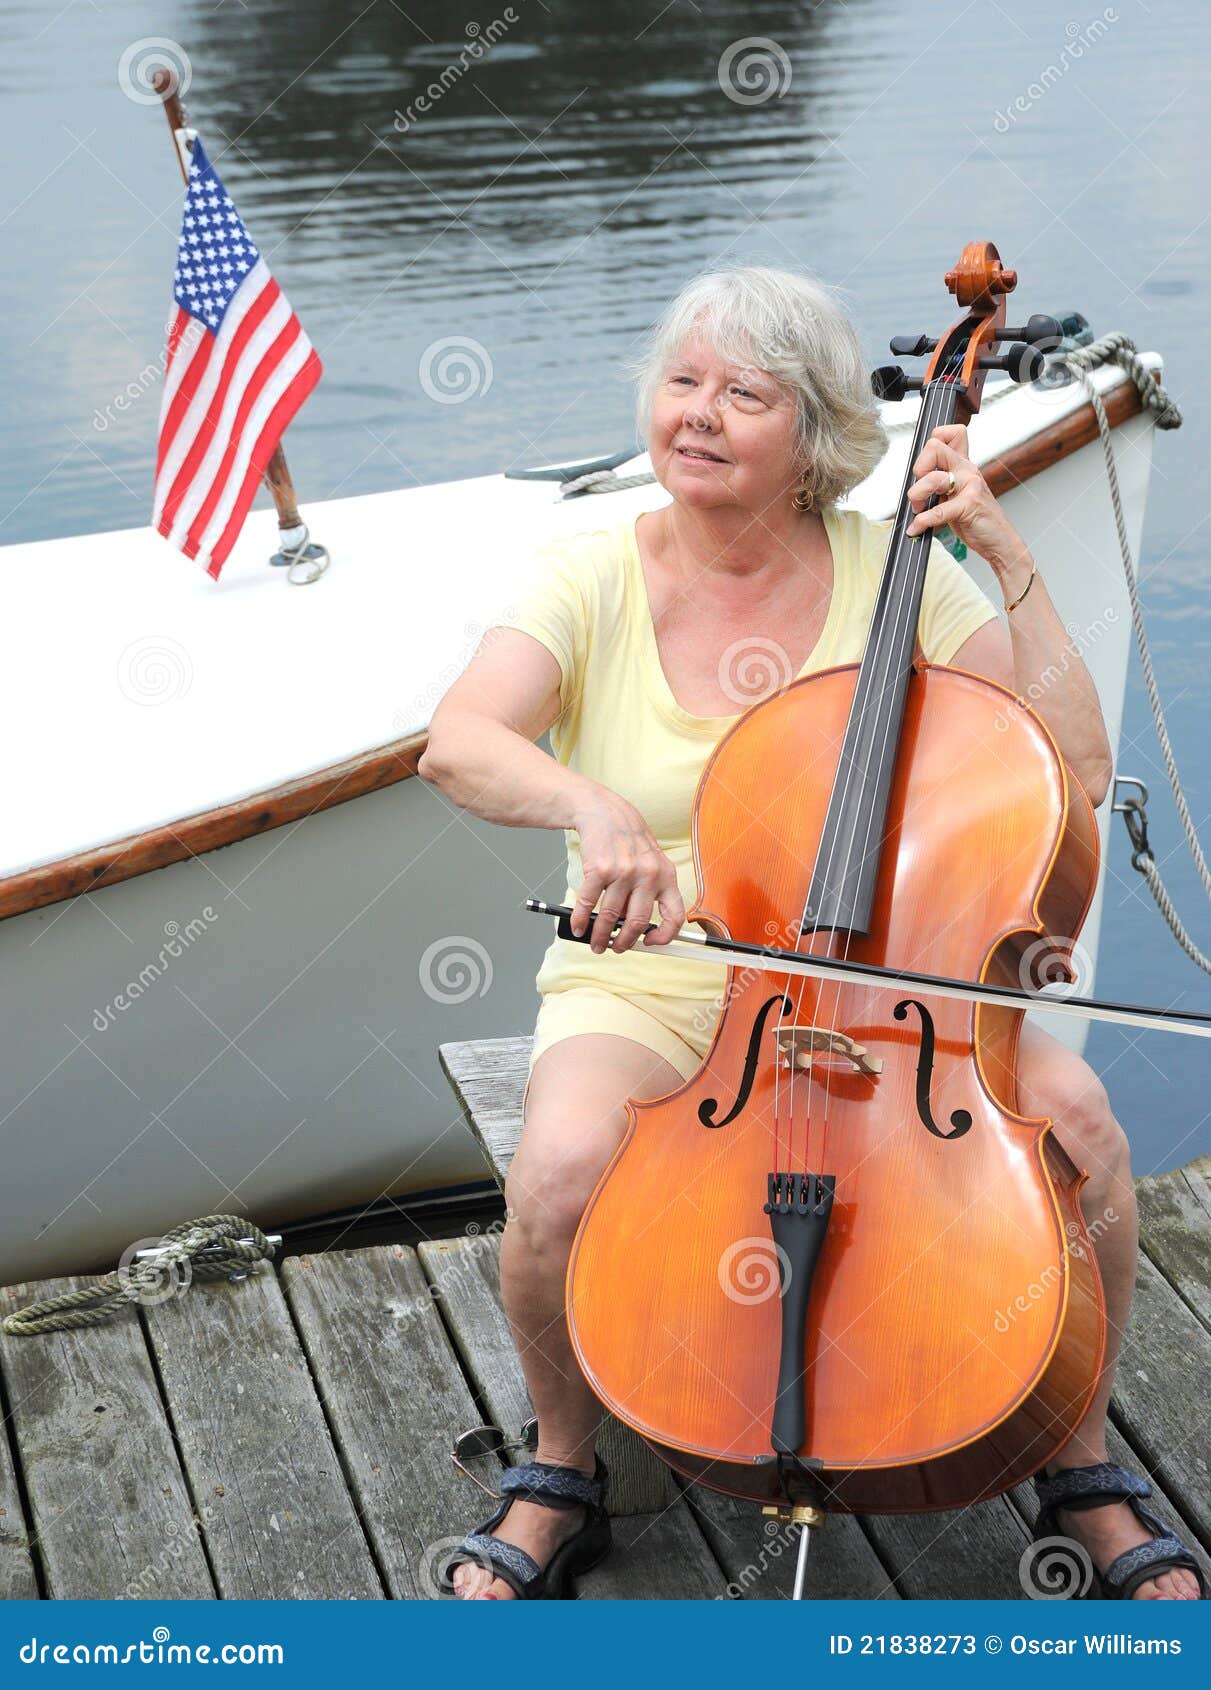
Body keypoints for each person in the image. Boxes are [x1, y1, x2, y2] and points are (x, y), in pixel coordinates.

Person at [419, 265, 1203, 1602]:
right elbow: (459, 741)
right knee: (555, 1173)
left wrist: (1009, 562)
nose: (700, 414)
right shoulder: (596, 570)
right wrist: (592, 808)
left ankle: (1077, 1459)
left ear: (822, 435)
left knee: (1084, 1133)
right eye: (683, 382)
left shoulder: (896, 577)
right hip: (654, 978)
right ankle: (563, 1466)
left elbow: (1060, 769)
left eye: (746, 393)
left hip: (895, 994)